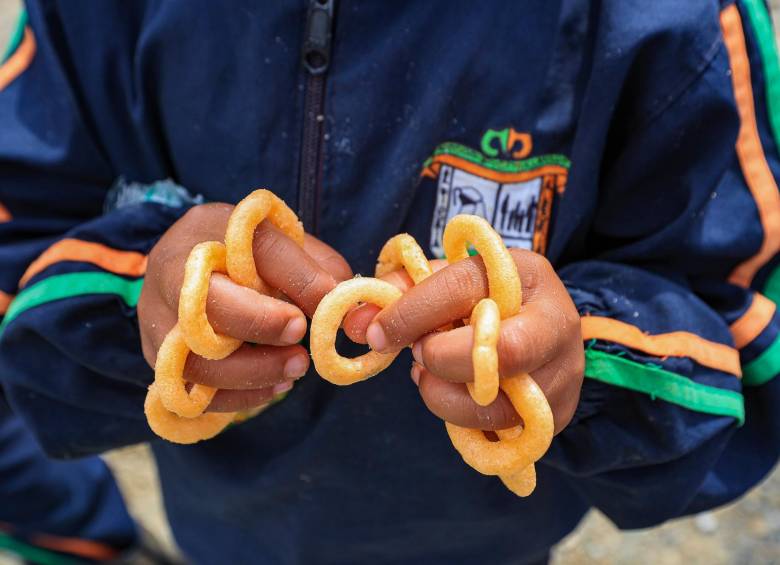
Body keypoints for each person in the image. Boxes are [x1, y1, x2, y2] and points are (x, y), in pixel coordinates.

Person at [0, 0, 778, 563]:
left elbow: (744, 323)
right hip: (223, 530)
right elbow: (20, 239)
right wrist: (145, 287)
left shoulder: (670, 21)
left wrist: (582, 353)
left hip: (488, 544)